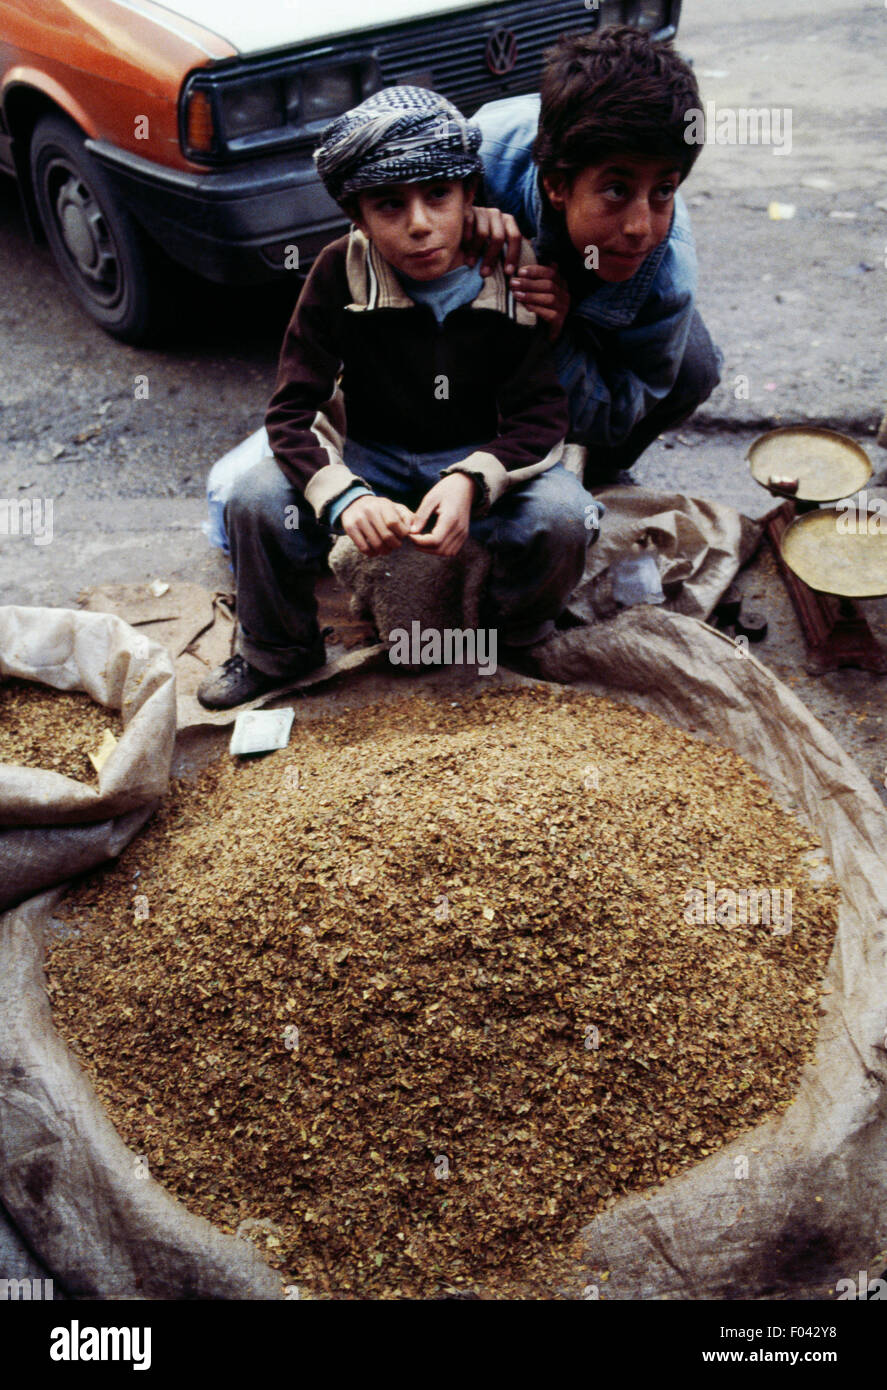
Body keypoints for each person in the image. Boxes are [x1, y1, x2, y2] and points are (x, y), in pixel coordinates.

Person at [197, 86, 603, 710]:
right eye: (389, 205)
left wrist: (473, 479)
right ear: (356, 216)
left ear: (471, 194)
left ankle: (517, 637)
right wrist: (344, 498)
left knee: (562, 516)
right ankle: (276, 650)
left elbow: (541, 415)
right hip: (372, 456)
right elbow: (292, 412)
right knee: (253, 498)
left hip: (476, 457)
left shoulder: (512, 268)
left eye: (437, 195)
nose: (418, 223)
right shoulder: (338, 272)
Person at [464, 25, 723, 487]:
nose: (640, 228)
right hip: (464, 347)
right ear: (557, 185)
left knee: (693, 366)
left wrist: (557, 338)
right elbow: (371, 247)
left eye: (663, 190)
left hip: (584, 342)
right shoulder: (480, 154)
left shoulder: (669, 272)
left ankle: (590, 483)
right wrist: (457, 238)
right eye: (617, 189)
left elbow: (615, 417)